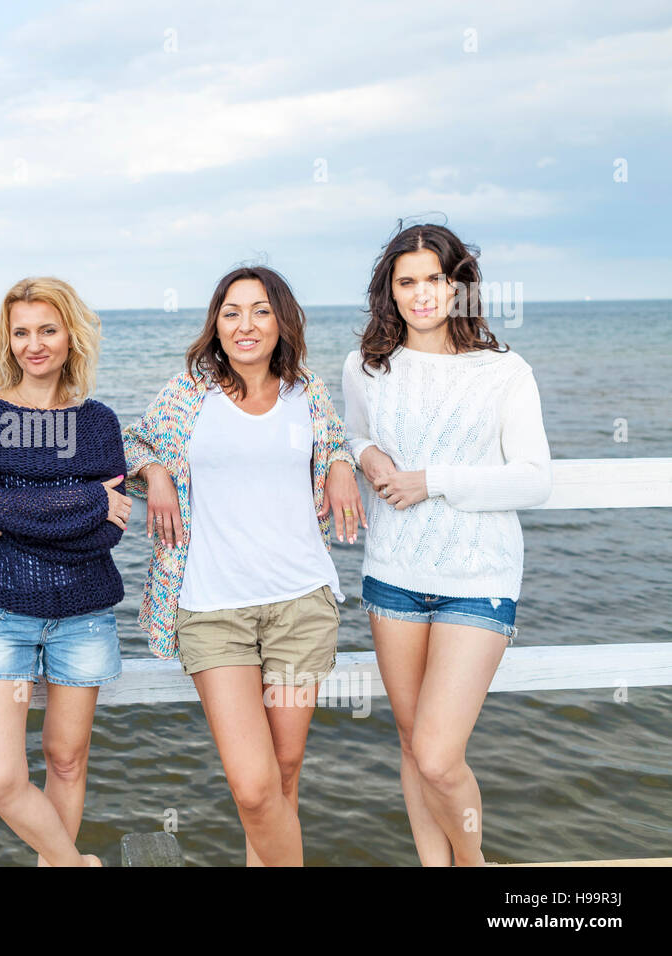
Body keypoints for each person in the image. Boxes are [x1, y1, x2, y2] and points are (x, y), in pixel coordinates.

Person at [122, 265, 362, 866]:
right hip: (212, 608)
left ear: (282, 320)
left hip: (300, 604)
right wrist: (155, 475)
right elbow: (136, 442)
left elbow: (335, 438)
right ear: (216, 324)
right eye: (232, 312)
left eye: (260, 310)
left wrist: (336, 463)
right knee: (254, 787)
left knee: (283, 772)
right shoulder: (188, 392)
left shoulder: (305, 390)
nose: (245, 324)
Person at [342, 223, 552, 866]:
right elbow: (352, 436)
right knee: (410, 742)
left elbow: (534, 479)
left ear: (459, 285)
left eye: (435, 278)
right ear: (391, 292)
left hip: (478, 578)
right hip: (392, 574)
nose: (422, 294)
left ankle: (472, 861)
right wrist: (369, 454)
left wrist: (430, 482)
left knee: (438, 752)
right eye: (407, 282)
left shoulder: (504, 372)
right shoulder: (366, 366)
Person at [0, 277, 128, 867]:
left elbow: (109, 530)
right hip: (4, 614)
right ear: (7, 338)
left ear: (70, 335)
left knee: (66, 760)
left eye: (48, 330)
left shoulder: (97, 422)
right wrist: (83, 502)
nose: (35, 344)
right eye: (21, 331)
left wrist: (18, 518)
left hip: (86, 614)